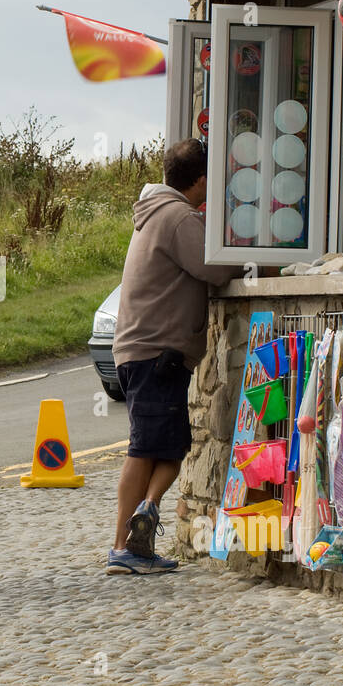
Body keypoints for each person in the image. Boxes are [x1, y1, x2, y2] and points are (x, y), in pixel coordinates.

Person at [106, 139, 242, 575]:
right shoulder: (177, 217)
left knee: (173, 443)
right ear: (201, 179)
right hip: (155, 351)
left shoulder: (155, 212)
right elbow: (215, 268)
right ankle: (122, 546)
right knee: (145, 447)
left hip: (146, 349)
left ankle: (144, 518)